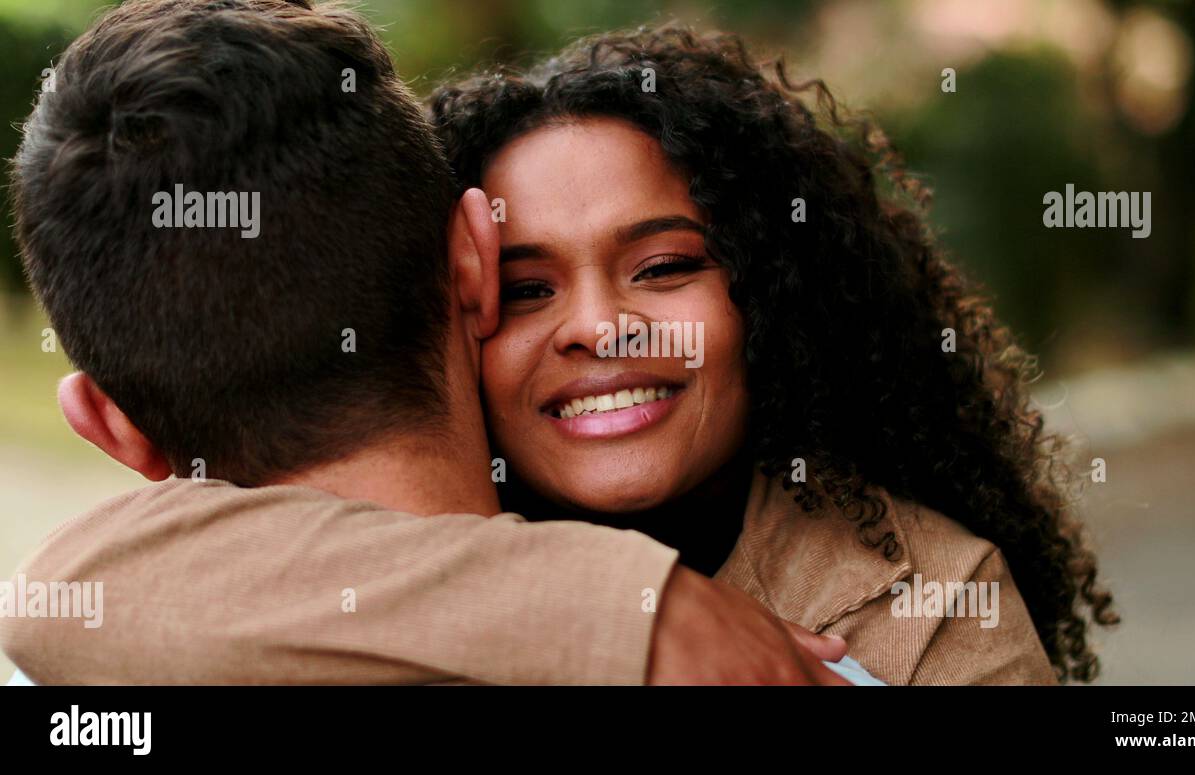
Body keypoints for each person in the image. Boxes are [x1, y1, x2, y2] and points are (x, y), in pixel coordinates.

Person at [0, 0, 851, 686]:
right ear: (476, 265)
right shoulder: (801, 660)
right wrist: (611, 604)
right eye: (532, 285)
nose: (597, 327)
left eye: (663, 264)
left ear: (113, 427)